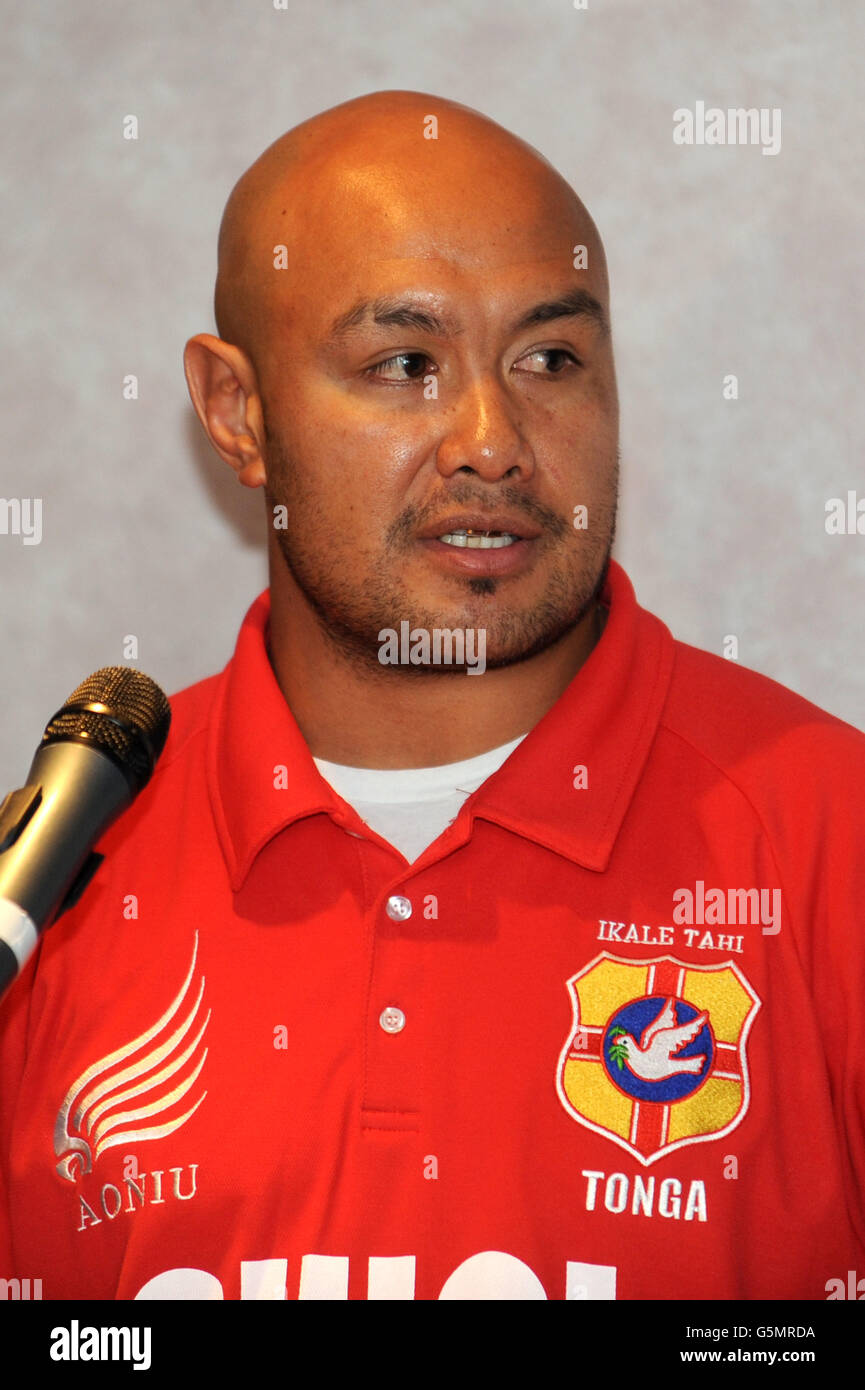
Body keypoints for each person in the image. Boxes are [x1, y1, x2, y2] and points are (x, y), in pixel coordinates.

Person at [0, 90, 862, 1302]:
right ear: (237, 413)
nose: (492, 439)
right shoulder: (51, 882)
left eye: (548, 359)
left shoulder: (831, 836)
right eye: (404, 364)